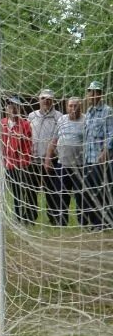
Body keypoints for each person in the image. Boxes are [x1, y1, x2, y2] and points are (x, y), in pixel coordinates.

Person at [0, 97, 34, 223]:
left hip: (16, 164)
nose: (13, 108)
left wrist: (22, 162)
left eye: (16, 106)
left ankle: (18, 216)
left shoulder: (25, 125)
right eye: (10, 106)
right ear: (6, 108)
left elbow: (27, 146)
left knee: (18, 191)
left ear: (20, 108)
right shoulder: (0, 123)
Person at [46, 96, 85, 226]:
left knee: (81, 195)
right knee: (62, 194)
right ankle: (61, 222)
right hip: (62, 164)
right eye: (70, 106)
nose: (73, 108)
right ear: (66, 107)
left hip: (80, 165)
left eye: (76, 105)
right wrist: (48, 158)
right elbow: (54, 140)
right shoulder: (61, 120)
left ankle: (82, 222)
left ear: (80, 106)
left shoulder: (86, 120)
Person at [26, 88, 62, 225]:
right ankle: (30, 217)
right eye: (43, 98)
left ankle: (54, 218)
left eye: (49, 99)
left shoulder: (59, 117)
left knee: (52, 191)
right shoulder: (31, 116)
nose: (46, 101)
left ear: (53, 100)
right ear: (38, 100)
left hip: (51, 159)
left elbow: (58, 138)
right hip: (33, 159)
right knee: (30, 190)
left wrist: (49, 156)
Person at [81, 80, 113, 229]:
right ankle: (94, 222)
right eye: (90, 92)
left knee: (102, 192)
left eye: (95, 92)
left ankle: (104, 222)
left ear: (100, 94)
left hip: (101, 159)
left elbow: (111, 134)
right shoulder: (88, 112)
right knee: (90, 192)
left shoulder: (108, 111)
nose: (92, 95)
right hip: (88, 158)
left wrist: (105, 151)